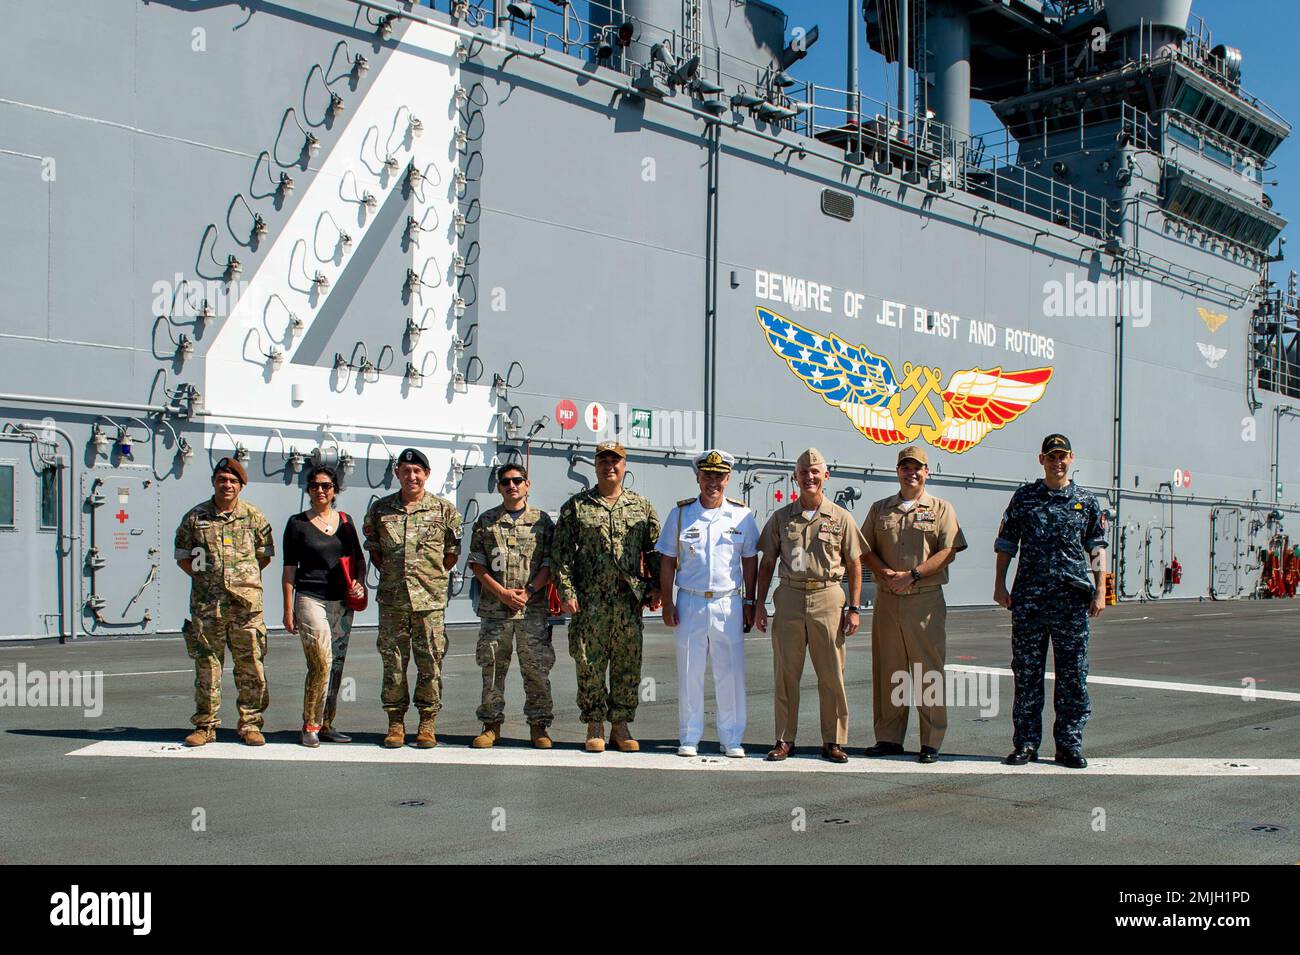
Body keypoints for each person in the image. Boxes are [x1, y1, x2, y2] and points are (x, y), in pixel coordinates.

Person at [994, 433, 1108, 769]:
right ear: (1040, 460)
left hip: (1071, 600)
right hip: (1029, 600)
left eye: (1062, 456)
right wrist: (1000, 585)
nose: (1057, 462)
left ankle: (1069, 745)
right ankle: (1026, 743)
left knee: (1072, 676)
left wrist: (1102, 590)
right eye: (1051, 456)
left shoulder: (1086, 501)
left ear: (1071, 459)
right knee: (1027, 674)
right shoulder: (1025, 498)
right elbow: (1005, 543)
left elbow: (1097, 548)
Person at [754, 448, 866, 763]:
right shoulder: (780, 518)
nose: (810, 477)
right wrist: (759, 605)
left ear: (825, 476)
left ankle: (833, 740)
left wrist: (855, 608)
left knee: (831, 672)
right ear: (796, 477)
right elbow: (767, 564)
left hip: (828, 597)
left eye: (815, 472)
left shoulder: (842, 518)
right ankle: (784, 739)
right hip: (789, 597)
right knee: (786, 673)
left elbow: (855, 565)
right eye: (804, 472)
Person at [552, 440, 661, 753]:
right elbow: (561, 553)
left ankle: (621, 725)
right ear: (596, 466)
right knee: (589, 663)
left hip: (628, 602)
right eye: (603, 461)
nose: (609, 466)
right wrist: (567, 592)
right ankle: (595, 723)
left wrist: (656, 587)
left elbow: (654, 551)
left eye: (616, 461)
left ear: (624, 466)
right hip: (590, 602)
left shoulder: (642, 507)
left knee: (628, 664)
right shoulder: (577, 506)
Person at [860, 445, 967, 764]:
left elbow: (948, 550)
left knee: (927, 672)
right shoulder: (881, 509)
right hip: (888, 600)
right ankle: (890, 738)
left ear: (927, 471)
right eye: (905, 467)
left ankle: (931, 740)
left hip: (925, 602)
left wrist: (914, 575)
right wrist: (886, 573)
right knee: (889, 671)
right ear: (898, 471)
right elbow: (865, 549)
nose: (912, 472)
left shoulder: (941, 508)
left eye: (917, 467)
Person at [657, 449, 759, 758]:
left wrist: (751, 601)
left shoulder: (742, 515)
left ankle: (731, 738)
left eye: (719, 476)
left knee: (730, 673)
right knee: (690, 671)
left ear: (728, 479)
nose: (712, 482)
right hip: (690, 601)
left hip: (728, 603)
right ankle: (689, 736)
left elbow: (750, 561)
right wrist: (667, 602)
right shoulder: (680, 515)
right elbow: (667, 561)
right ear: (698, 477)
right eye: (707, 476)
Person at [363, 448, 462, 748]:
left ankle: (427, 723)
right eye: (406, 471)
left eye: (417, 471)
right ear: (398, 474)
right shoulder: (381, 510)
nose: (412, 476)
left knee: (430, 663)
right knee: (393, 663)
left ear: (427, 474)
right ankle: (395, 723)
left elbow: (450, 556)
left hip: (429, 603)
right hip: (393, 602)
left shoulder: (445, 511)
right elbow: (376, 552)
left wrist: (426, 581)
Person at [174, 457, 275, 746]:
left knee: (251, 666)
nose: (227, 484)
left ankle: (251, 725)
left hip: (246, 607)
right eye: (222, 479)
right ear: (214, 482)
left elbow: (263, 556)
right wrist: (209, 582)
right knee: (207, 666)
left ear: (241, 485)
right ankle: (205, 725)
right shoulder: (195, 518)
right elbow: (183, 557)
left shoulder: (254, 517)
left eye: (232, 481)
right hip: (208, 606)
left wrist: (239, 581)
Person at [465, 462, 556, 749]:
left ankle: (538, 726)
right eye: (505, 481)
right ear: (499, 486)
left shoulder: (543, 521)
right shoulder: (486, 521)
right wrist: (502, 593)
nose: (512, 485)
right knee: (491, 668)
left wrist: (528, 592)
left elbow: (550, 563)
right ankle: (491, 725)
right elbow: (477, 564)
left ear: (527, 484)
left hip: (532, 610)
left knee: (536, 669)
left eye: (517, 480)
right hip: (495, 611)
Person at [281, 466, 367, 747]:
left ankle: (327, 723)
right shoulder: (297, 524)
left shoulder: (345, 522)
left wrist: (358, 584)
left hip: (341, 601)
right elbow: (289, 569)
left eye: (327, 486)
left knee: (336, 665)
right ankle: (310, 724)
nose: (321, 490)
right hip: (310, 599)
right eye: (316, 485)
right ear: (308, 490)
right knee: (321, 662)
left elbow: (358, 561)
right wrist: (288, 608)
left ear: (335, 491)